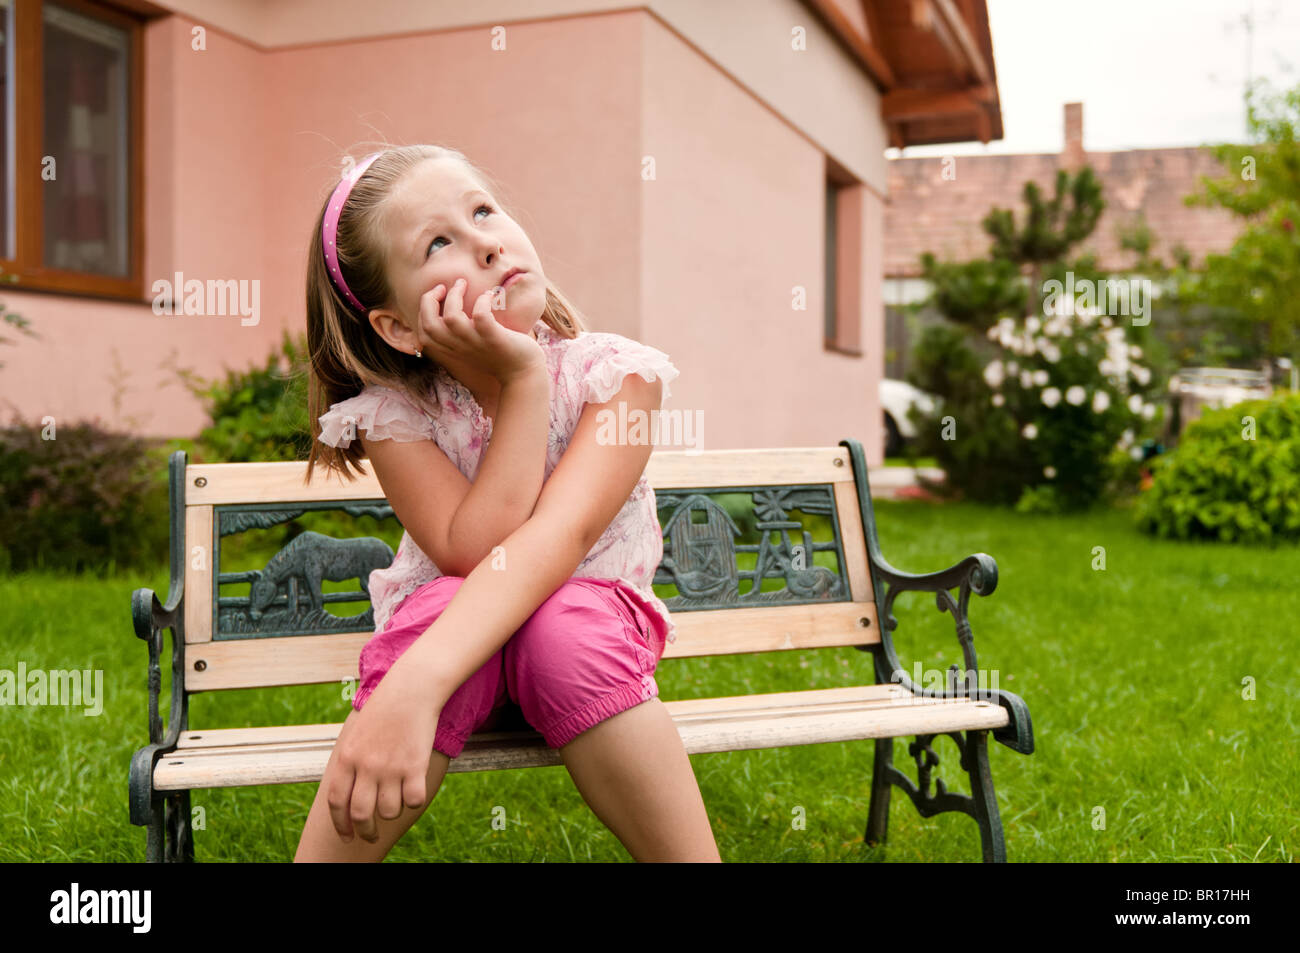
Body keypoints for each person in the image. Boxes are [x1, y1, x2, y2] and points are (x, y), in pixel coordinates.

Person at [292, 144, 720, 862]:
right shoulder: (397, 414)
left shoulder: (617, 380)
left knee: (561, 620)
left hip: (584, 638)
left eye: (483, 210)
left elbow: (560, 536)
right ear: (397, 325)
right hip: (458, 651)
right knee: (439, 603)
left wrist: (526, 379)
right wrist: (415, 684)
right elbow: (469, 548)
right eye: (438, 243)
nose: (486, 243)